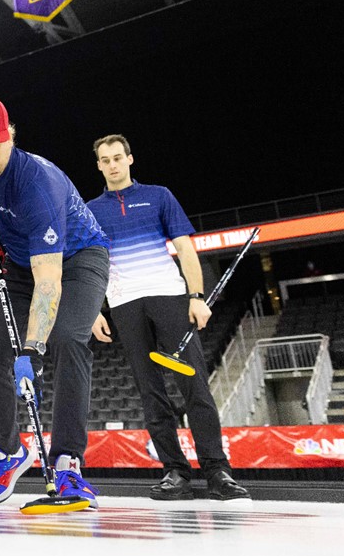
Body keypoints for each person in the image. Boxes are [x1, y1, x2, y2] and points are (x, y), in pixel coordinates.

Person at [0, 97, 110, 508]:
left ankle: (68, 463)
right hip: (20, 265)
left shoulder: (38, 184)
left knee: (67, 341)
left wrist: (32, 348)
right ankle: (10, 454)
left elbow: (50, 282)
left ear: (11, 137)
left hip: (77, 260)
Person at [87, 134, 250, 501]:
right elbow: (89, 264)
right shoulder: (90, 210)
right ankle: (175, 472)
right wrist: (94, 310)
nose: (112, 164)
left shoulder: (159, 195)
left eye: (117, 157)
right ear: (98, 165)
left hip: (170, 298)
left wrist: (197, 296)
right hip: (124, 305)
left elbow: (185, 248)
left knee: (195, 386)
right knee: (150, 391)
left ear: (130, 158)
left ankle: (217, 471)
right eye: (105, 160)